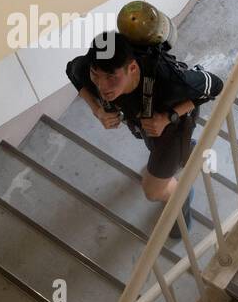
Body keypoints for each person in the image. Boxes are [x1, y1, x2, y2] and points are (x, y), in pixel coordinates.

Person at [65, 19, 222, 242]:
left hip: (172, 129)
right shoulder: (92, 67)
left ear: (132, 68)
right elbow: (72, 72)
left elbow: (215, 86)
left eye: (111, 78)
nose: (102, 86)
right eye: (95, 75)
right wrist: (97, 110)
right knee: (152, 144)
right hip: (143, 124)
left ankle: (181, 194)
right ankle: (185, 152)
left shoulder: (169, 81)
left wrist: (168, 117)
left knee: (153, 191)